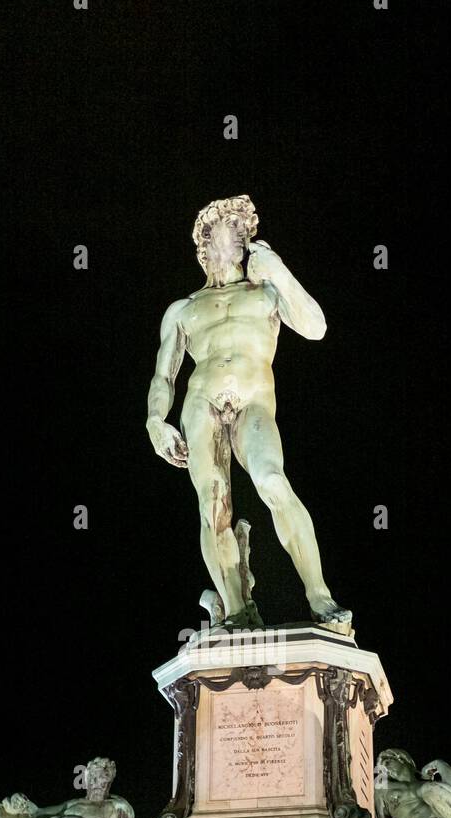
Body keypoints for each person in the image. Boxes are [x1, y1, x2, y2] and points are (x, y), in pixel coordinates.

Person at [146, 194, 351, 633]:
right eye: (232, 223)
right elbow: (164, 375)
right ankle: (238, 611)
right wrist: (154, 422)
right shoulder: (183, 309)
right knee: (213, 503)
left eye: (245, 226)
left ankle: (320, 597)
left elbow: (316, 328)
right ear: (206, 236)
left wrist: (277, 268)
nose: (243, 231)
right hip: (200, 402)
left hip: (255, 399)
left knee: (272, 481)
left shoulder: (267, 291)